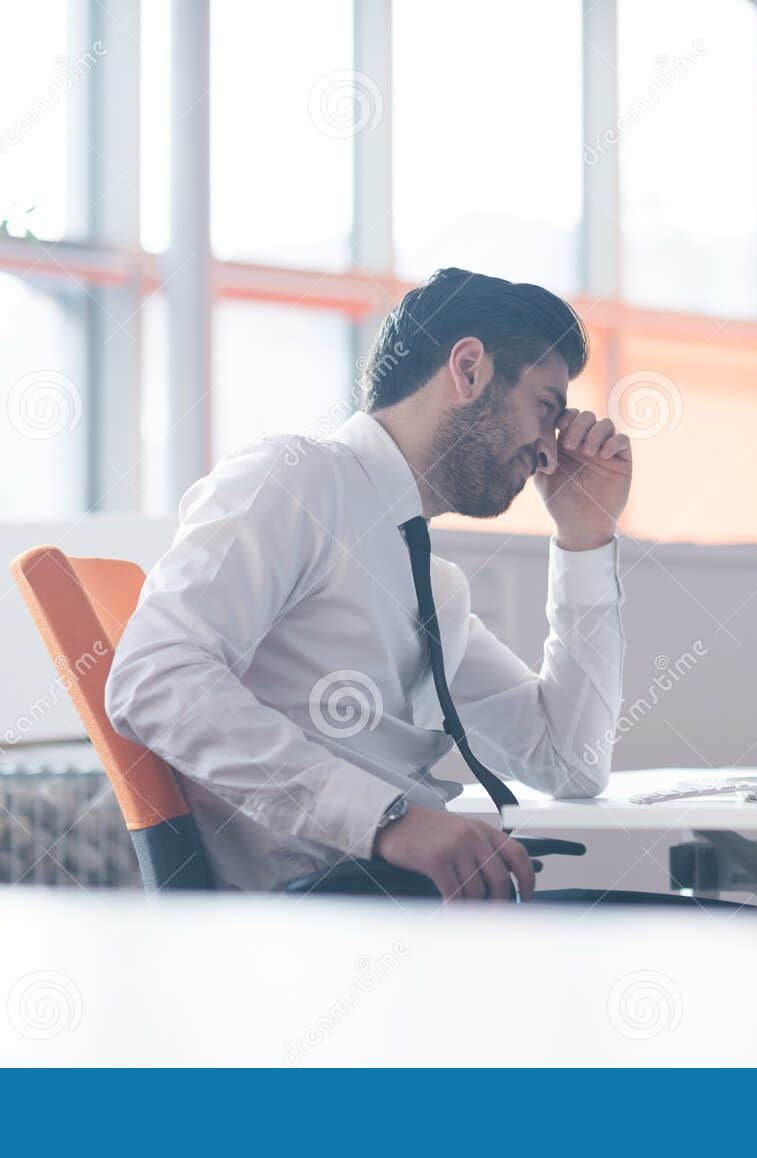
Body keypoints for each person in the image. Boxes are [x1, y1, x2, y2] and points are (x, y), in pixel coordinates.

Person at [107, 268, 630, 901]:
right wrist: (388, 819)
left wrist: (586, 538)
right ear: (468, 370)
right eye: (544, 408)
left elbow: (571, 763)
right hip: (325, 920)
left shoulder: (430, 582)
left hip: (392, 908)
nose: (549, 452)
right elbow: (153, 676)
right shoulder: (297, 481)